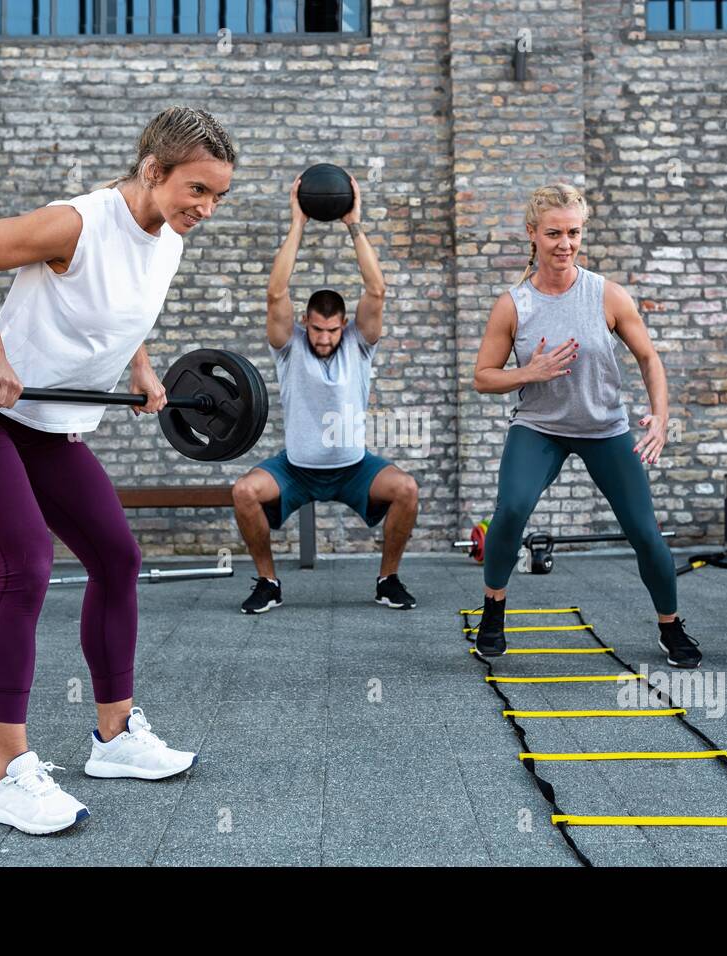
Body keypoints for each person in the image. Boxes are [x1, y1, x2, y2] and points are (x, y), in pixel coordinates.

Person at [0, 107, 236, 834]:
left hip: (52, 426)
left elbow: (118, 314)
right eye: (197, 189)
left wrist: (142, 368)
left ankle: (114, 737)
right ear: (154, 171)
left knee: (116, 557)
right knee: (26, 567)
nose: (206, 208)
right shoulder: (78, 222)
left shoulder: (166, 238)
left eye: (218, 196)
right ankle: (8, 773)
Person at [470, 183, 702, 666]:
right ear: (532, 234)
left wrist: (660, 416)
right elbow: (483, 377)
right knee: (511, 509)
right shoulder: (514, 305)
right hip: (539, 426)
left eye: (573, 232)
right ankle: (494, 608)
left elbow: (648, 357)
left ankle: (670, 625)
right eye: (553, 233)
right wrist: (528, 373)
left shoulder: (607, 295)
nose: (565, 244)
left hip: (604, 429)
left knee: (644, 532)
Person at [232, 175, 419, 613]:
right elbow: (276, 291)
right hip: (296, 468)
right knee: (244, 492)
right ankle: (268, 582)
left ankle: (388, 579)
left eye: (332, 330)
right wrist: (298, 222)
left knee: (406, 489)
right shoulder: (290, 345)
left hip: (353, 468)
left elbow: (377, 290)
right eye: (316, 329)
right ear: (306, 322)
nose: (323, 338)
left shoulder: (359, 342)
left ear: (344, 326)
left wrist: (354, 224)